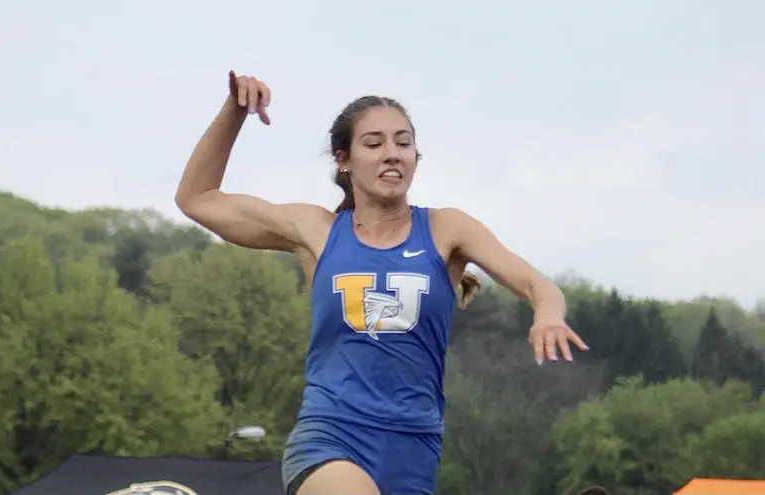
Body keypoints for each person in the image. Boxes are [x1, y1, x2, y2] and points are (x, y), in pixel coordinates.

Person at [175, 71, 589, 495]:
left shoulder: (447, 230)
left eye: (403, 143)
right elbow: (197, 198)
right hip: (331, 434)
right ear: (344, 159)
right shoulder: (316, 231)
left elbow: (537, 285)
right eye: (373, 144)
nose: (391, 154)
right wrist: (234, 112)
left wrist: (548, 315)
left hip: (414, 445)